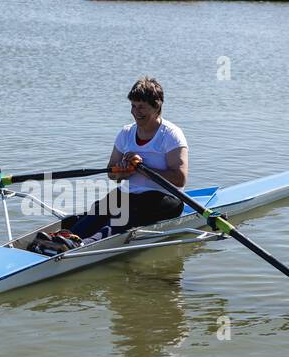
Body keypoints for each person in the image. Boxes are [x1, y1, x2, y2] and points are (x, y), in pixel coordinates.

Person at [30, 76, 188, 254]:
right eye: (133, 106)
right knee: (98, 212)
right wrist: (122, 172)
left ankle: (83, 246)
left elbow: (180, 179)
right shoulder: (126, 133)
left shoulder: (171, 135)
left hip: (165, 198)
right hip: (129, 195)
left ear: (156, 106)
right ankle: (64, 239)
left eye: (141, 107)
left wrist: (143, 169)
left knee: (124, 216)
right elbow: (111, 174)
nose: (136, 112)